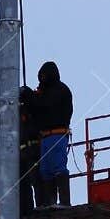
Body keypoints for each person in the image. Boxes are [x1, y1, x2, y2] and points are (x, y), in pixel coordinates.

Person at [33, 60, 73, 207]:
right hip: (46, 137)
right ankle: (51, 203)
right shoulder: (48, 92)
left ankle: (64, 202)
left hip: (57, 135)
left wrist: (33, 97)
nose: (42, 78)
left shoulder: (59, 90)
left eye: (44, 75)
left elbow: (45, 106)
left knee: (58, 167)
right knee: (45, 170)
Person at [18, 85, 40, 219]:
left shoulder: (30, 111)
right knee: (28, 181)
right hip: (26, 152)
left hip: (29, 151)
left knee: (32, 180)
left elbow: (29, 130)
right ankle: (28, 208)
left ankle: (30, 208)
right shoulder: (27, 110)